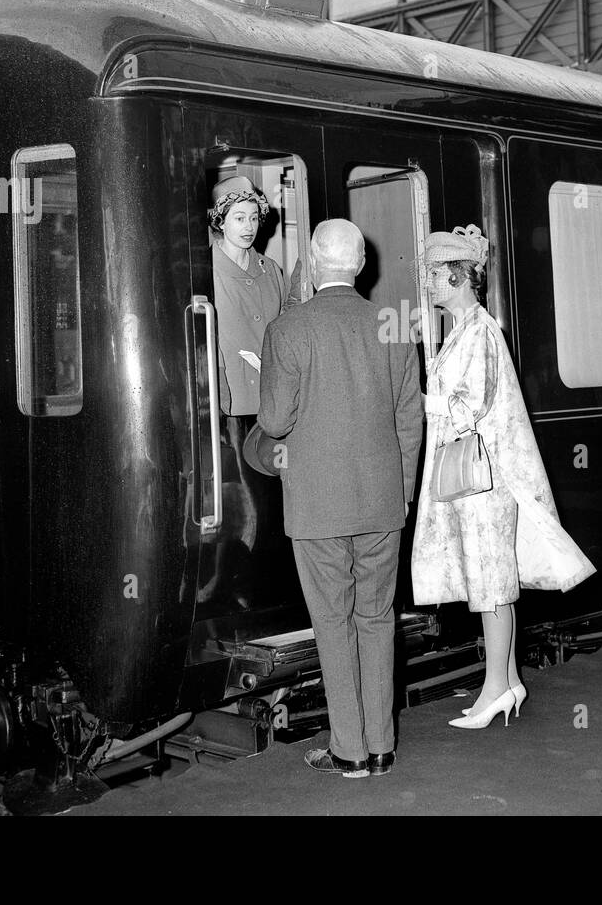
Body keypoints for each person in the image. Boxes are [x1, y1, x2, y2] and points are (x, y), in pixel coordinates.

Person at [412, 225, 595, 729]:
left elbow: (470, 407)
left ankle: (495, 688)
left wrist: (419, 402)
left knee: (491, 586)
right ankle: (507, 680)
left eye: (432, 275)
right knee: (491, 582)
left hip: (482, 484)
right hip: (480, 480)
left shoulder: (479, 332)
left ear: (455, 277)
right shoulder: (468, 330)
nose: (427, 284)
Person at [257, 219, 423, 778]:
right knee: (379, 618)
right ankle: (382, 746)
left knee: (334, 623)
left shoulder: (288, 328)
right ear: (359, 265)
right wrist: (401, 493)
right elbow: (409, 419)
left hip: (318, 505)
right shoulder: (393, 326)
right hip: (381, 502)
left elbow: (275, 420)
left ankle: (348, 749)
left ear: (311, 260)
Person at [208, 175, 285, 417]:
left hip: (274, 395)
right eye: (239, 219)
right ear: (220, 222)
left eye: (253, 218)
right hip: (231, 400)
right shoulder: (204, 271)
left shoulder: (270, 268)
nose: (249, 227)